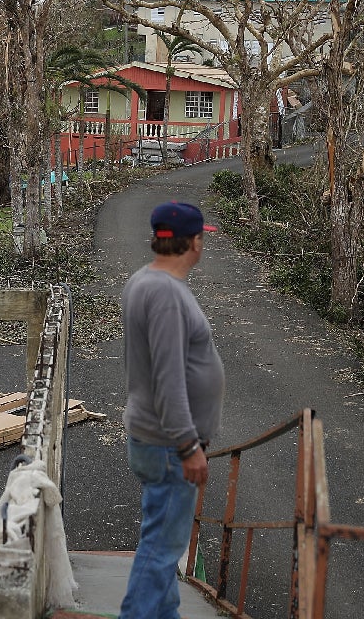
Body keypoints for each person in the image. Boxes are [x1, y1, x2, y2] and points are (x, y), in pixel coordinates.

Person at [119, 201, 226, 619]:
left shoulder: (144, 281)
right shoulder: (165, 294)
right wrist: (188, 446)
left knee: (162, 547)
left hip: (156, 439)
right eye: (202, 238)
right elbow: (167, 379)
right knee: (161, 552)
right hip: (168, 446)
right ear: (193, 242)